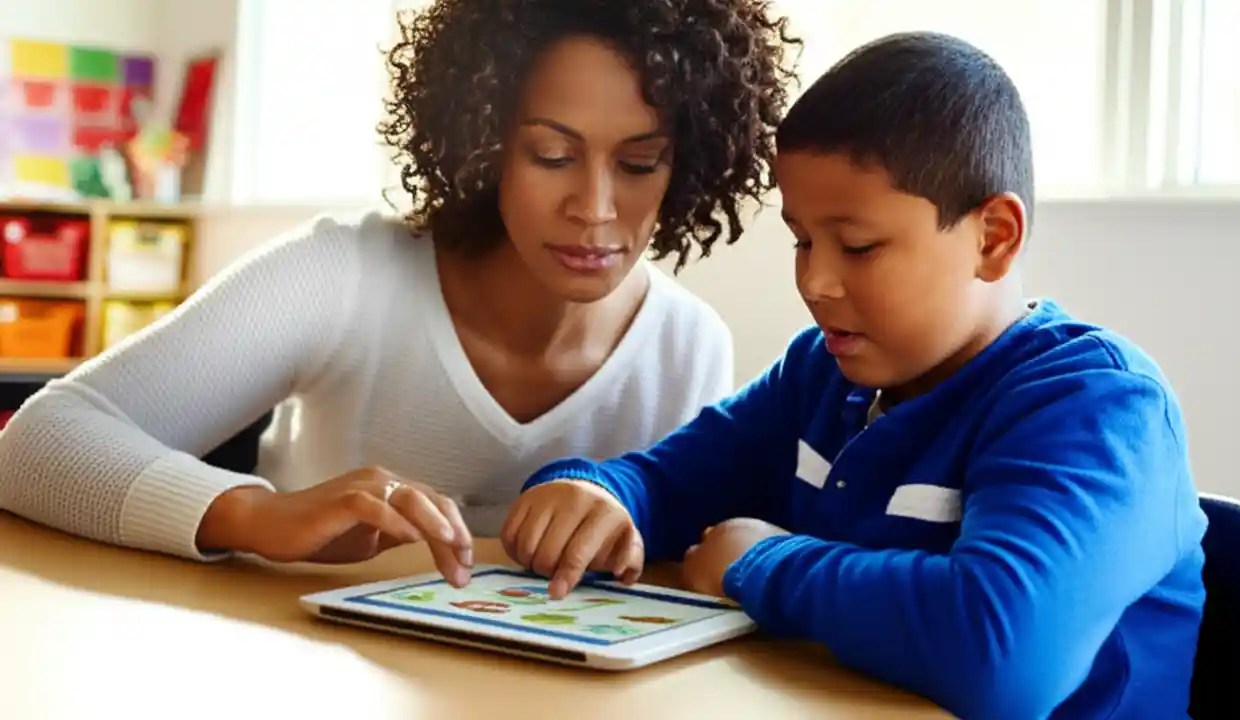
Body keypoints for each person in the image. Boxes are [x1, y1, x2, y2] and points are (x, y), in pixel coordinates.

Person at [503, 32, 1207, 719]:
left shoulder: (1097, 406)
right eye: (803, 240)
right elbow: (671, 481)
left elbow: (1002, 655)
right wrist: (598, 496)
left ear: (993, 238)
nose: (815, 281)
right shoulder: (823, 373)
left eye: (860, 247)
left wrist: (767, 565)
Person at [0, 0, 798, 591]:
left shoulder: (690, 344)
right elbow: (35, 444)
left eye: (638, 163)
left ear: (690, 165)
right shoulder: (344, 276)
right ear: (483, 145)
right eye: (552, 155)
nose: (595, 208)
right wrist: (259, 515)